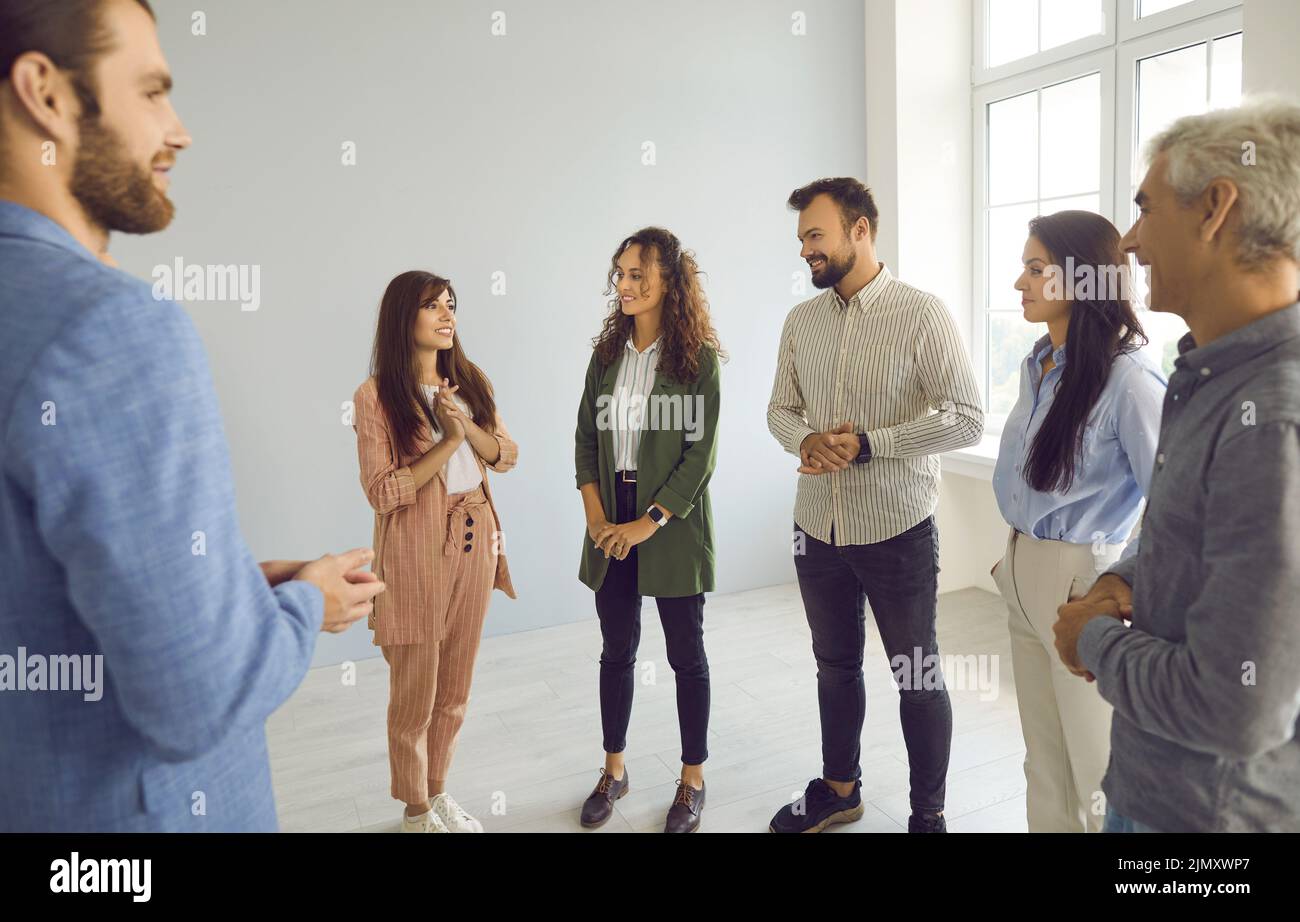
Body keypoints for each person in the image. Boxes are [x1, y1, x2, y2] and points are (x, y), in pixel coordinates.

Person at [0, 0, 382, 832]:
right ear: (46, 94)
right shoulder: (111, 329)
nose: (179, 130)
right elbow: (198, 702)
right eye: (152, 92)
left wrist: (229, 592)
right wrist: (309, 602)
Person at [1053, 98, 1300, 833]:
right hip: (1159, 788)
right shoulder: (1214, 378)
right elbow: (1195, 531)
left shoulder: (1273, 420)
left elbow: (1235, 706)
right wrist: (1120, 582)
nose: (1129, 241)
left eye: (1145, 208)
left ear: (1215, 208)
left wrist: (1089, 638)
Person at [767, 177, 984, 833]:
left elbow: (966, 418)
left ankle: (928, 815)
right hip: (817, 529)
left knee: (915, 674)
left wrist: (868, 445)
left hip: (897, 529)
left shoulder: (922, 313)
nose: (806, 249)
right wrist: (805, 439)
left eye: (815, 235)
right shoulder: (801, 321)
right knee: (834, 666)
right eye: (803, 237)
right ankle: (841, 789)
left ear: (861, 230)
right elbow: (779, 409)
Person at [991, 210, 1165, 832]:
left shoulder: (1130, 380)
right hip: (1017, 568)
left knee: (1093, 766)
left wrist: (1117, 587)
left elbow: (1172, 503)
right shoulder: (1039, 364)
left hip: (1079, 580)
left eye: (1037, 269)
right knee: (1043, 759)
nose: (1020, 283)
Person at [353, 270, 519, 833]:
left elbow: (505, 455)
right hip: (415, 552)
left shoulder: (470, 380)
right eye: (433, 306)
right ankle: (415, 810)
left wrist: (465, 426)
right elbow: (383, 492)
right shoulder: (376, 396)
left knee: (455, 686)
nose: (448, 315)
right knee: (415, 695)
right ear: (405, 318)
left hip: (475, 537)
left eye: (451, 304)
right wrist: (447, 440)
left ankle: (439, 790)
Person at [574, 227, 723, 833]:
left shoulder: (698, 360)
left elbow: (700, 456)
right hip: (609, 514)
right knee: (616, 652)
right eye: (622, 274)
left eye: (640, 274)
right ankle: (615, 769)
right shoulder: (606, 356)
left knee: (686, 656)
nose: (627, 285)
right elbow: (586, 438)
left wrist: (646, 523)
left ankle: (692, 780)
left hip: (670, 522)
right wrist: (596, 517)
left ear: (670, 282)